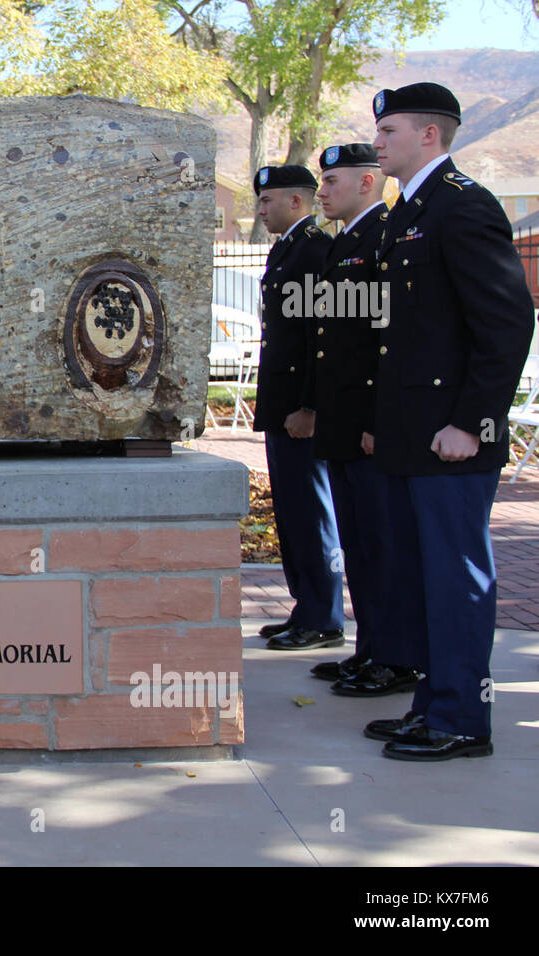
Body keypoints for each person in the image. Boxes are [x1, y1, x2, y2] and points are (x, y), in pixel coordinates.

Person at [364, 82, 533, 761]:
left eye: (390, 131)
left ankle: (463, 718)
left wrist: (471, 421)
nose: (377, 142)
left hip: (452, 440)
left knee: (456, 579)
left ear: (429, 135)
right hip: (414, 435)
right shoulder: (413, 211)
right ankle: (433, 705)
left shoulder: (463, 207)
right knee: (423, 578)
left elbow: (507, 320)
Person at [306, 143, 420, 697]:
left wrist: (378, 420)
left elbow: (385, 342)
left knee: (383, 546)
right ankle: (371, 648)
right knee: (361, 545)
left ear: (368, 183)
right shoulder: (347, 240)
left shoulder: (383, 236)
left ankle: (396, 658)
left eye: (331, 181)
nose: (321, 192)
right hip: (344, 420)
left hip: (368, 421)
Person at [251, 164, 345, 651]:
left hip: (300, 411)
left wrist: (309, 405)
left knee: (311, 512)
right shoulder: (289, 248)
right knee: (290, 511)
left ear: (296, 201)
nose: (261, 209)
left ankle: (324, 615)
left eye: (268, 201)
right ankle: (305, 606)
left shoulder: (314, 251)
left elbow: (317, 342)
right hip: (282, 404)